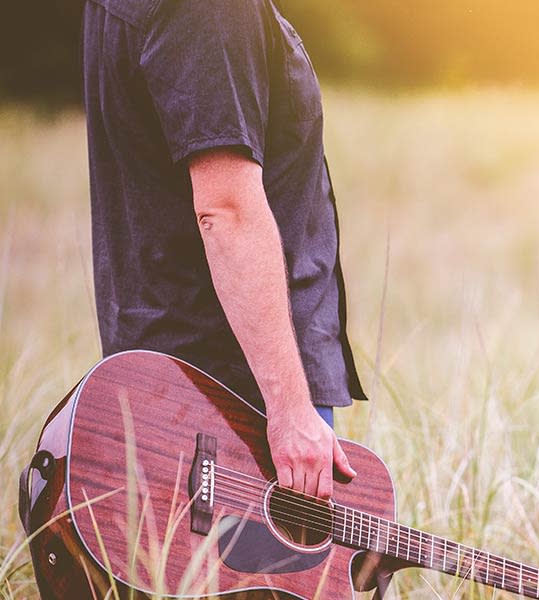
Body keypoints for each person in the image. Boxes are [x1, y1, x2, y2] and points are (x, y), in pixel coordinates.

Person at [80, 0, 366, 500]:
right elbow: (226, 211)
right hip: (237, 405)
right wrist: (291, 413)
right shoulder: (211, 9)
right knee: (271, 581)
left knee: (173, 578)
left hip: (170, 387)